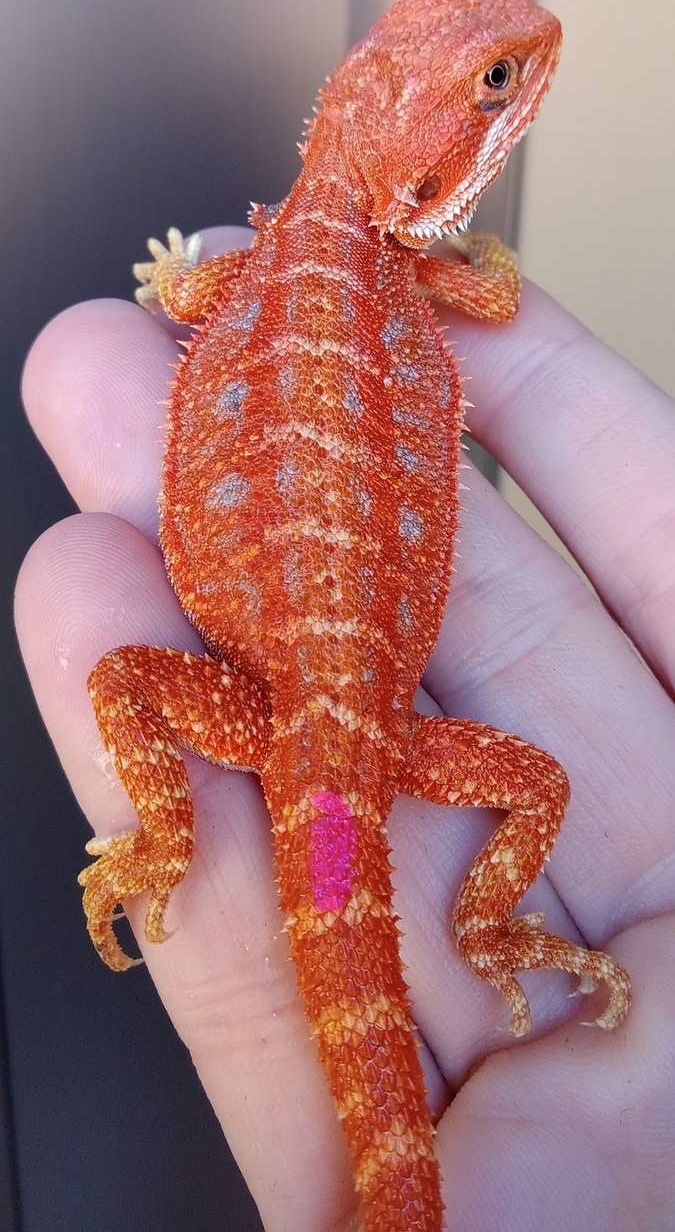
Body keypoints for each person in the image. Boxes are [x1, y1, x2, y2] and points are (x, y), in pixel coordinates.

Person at [15, 224, 675, 1230]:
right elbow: (489, 296)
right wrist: (488, 268)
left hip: (306, 745)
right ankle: (482, 928)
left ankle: (171, 844)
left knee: (130, 687)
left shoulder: (279, 263)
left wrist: (165, 834)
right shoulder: (363, 263)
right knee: (512, 792)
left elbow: (191, 296)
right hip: (342, 749)